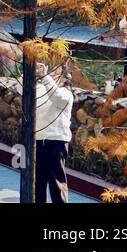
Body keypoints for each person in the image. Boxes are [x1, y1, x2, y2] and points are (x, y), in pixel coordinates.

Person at [35, 61, 74, 203]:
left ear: (64, 78)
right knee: (36, 186)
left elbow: (56, 97)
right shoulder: (40, 89)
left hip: (56, 143)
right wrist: (29, 68)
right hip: (38, 142)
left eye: (57, 72)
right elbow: (22, 90)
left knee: (57, 186)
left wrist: (45, 77)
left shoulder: (66, 94)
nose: (52, 74)